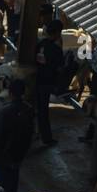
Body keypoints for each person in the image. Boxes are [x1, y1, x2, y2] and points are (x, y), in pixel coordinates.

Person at [34, 19, 64, 147]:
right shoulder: (56, 50)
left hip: (36, 80)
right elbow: (59, 68)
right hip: (46, 83)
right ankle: (46, 138)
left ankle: (36, 133)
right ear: (57, 33)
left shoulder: (40, 44)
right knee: (43, 111)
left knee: (36, 108)